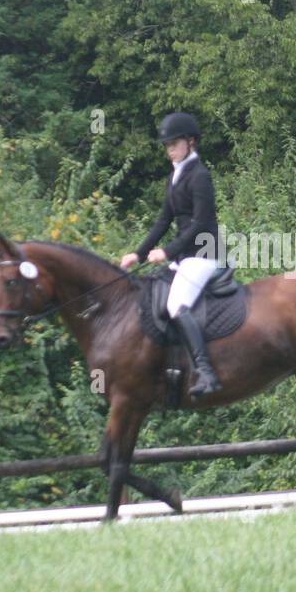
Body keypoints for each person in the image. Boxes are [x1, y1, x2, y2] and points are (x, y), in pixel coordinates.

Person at [119, 112, 224, 401]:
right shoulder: (175, 176)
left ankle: (206, 372)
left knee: (177, 305)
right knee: (154, 298)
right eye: (166, 146)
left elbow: (201, 223)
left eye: (174, 144)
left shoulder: (200, 175)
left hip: (204, 253)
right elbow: (163, 221)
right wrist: (138, 254)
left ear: (191, 142)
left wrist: (167, 251)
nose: (169, 150)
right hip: (185, 257)